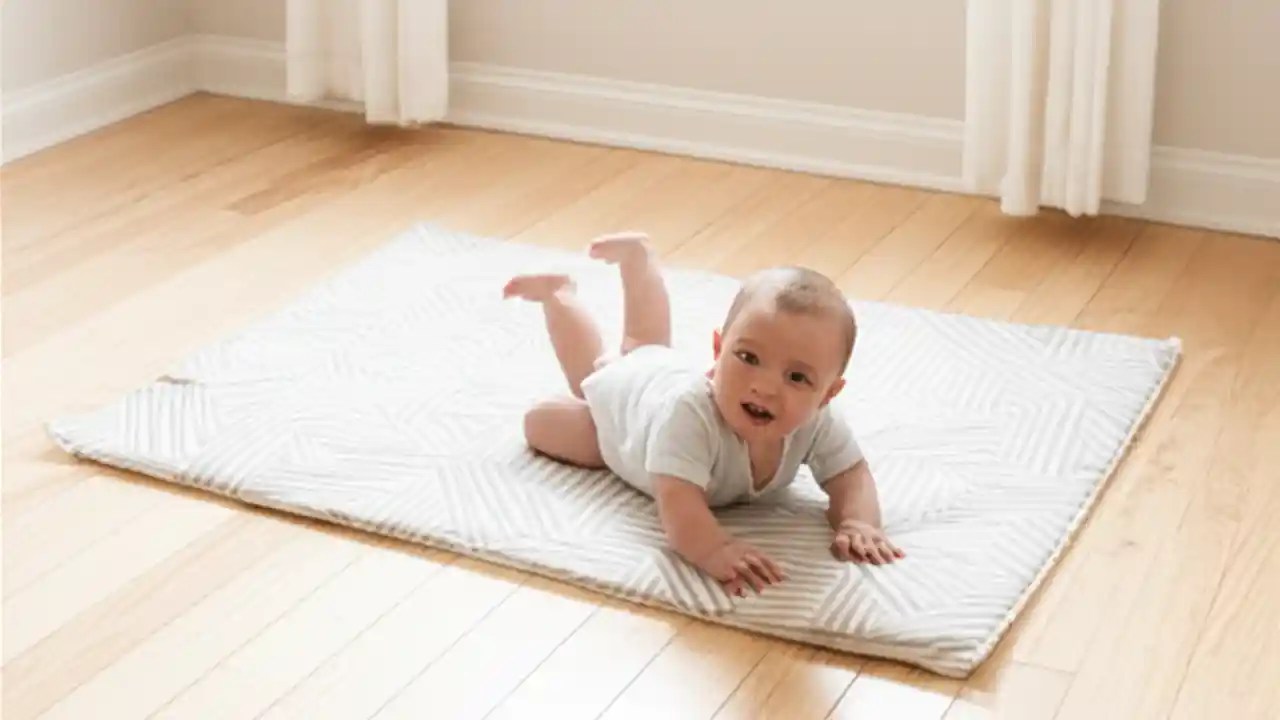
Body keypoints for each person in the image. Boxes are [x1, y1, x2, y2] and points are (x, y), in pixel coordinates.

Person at [503, 232, 903, 598]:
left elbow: (850, 475)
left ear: (828, 394)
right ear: (718, 349)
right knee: (566, 399)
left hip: (660, 380)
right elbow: (678, 503)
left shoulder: (819, 422)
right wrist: (714, 547)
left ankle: (638, 258)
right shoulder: (690, 417)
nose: (764, 386)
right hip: (631, 412)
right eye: (747, 357)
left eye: (797, 377)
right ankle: (559, 295)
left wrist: (859, 522)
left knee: (645, 344)